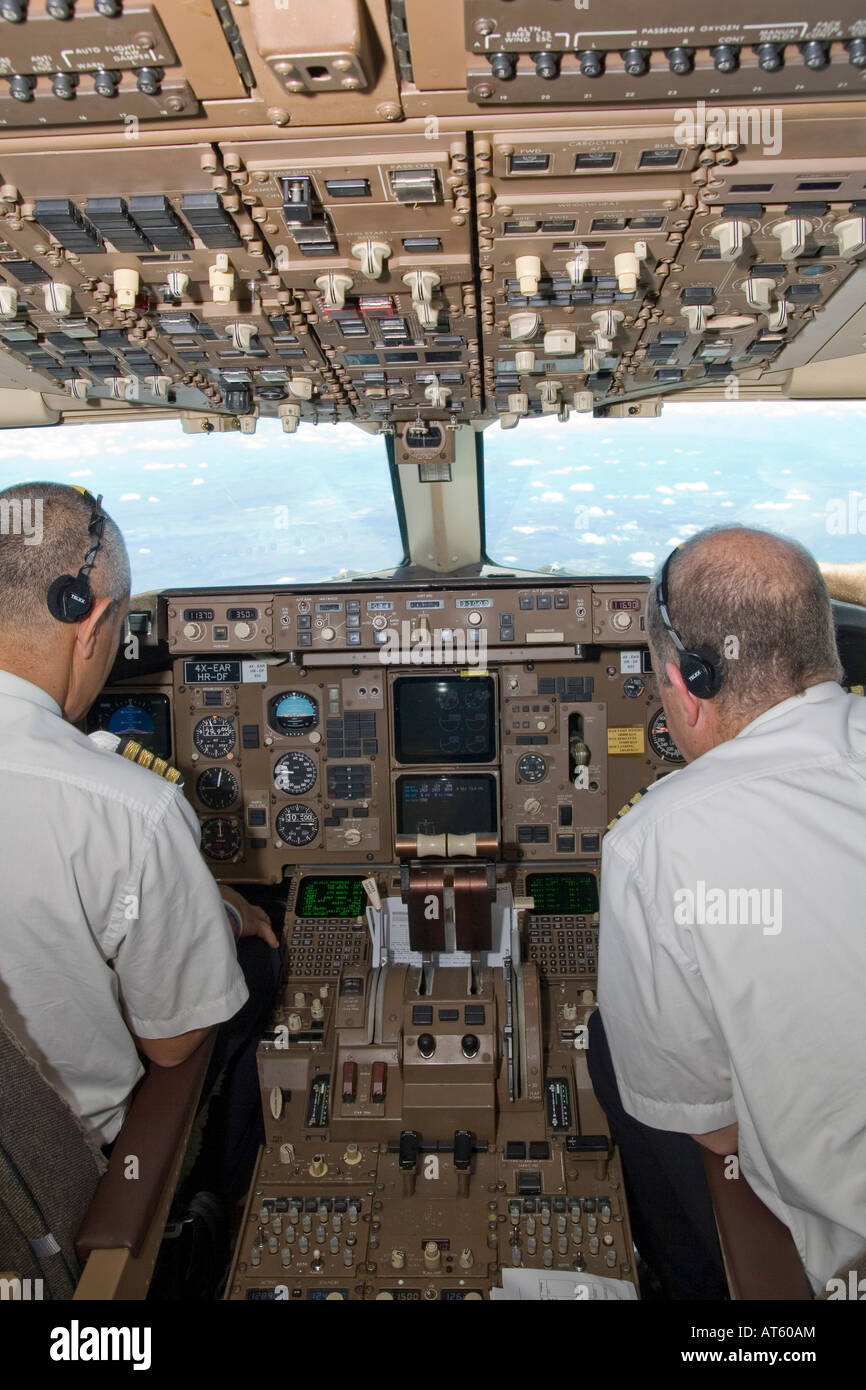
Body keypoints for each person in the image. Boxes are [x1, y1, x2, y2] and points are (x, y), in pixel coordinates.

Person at [590, 524, 866, 1298]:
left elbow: (709, 1126)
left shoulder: (656, 841)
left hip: (843, 1262)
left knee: (613, 1041)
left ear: (691, 680)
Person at [0, 481, 278, 1176]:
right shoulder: (125, 807)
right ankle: (210, 1203)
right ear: (90, 624)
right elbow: (176, 1043)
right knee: (259, 966)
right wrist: (226, 913)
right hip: (53, 1164)